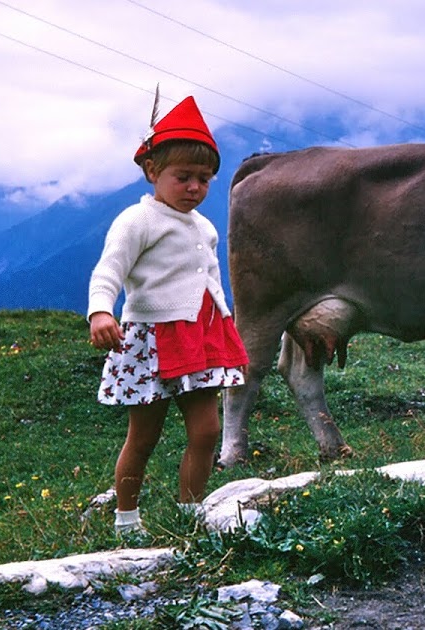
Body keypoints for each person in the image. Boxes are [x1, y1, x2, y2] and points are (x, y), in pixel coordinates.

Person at [87, 90, 248, 537]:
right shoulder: (137, 222)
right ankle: (127, 520)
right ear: (152, 171)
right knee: (144, 437)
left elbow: (210, 282)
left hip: (198, 338)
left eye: (204, 178)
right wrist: (101, 311)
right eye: (183, 177)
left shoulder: (206, 228)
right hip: (151, 340)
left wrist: (224, 325)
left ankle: (190, 516)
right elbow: (110, 269)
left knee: (207, 430)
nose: (194, 187)